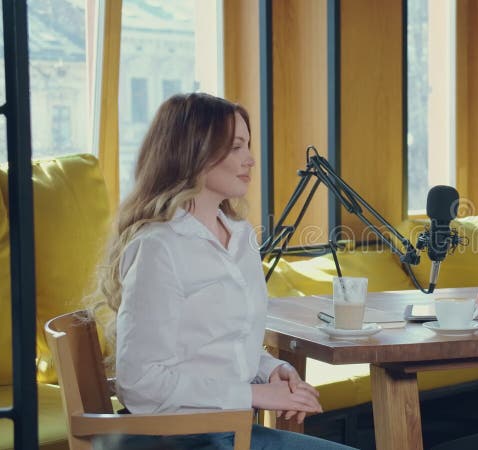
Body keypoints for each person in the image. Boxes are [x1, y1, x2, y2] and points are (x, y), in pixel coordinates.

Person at [89, 93, 354, 450]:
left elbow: (224, 342)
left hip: (231, 433)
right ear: (193, 153)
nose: (250, 159)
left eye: (248, 145)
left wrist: (270, 370)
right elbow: (140, 383)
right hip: (180, 440)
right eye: (235, 147)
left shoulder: (241, 236)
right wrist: (255, 394)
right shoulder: (159, 246)